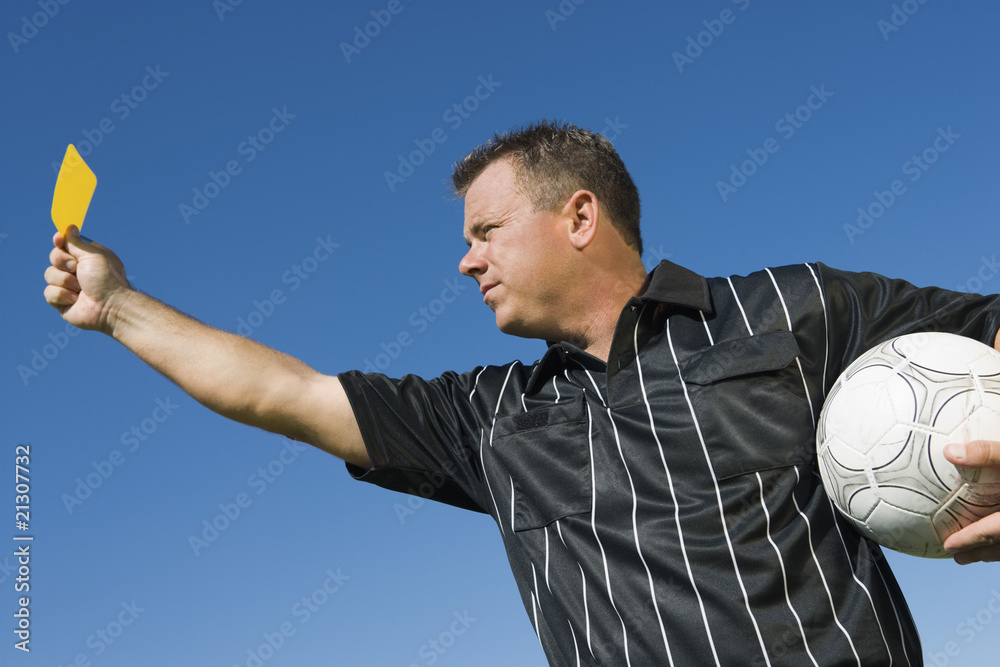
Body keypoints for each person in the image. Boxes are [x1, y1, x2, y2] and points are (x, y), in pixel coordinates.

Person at [45, 121, 1000, 665]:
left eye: (486, 231)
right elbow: (287, 392)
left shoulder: (792, 309)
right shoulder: (489, 418)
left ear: (579, 216)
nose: (466, 262)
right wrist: (119, 306)